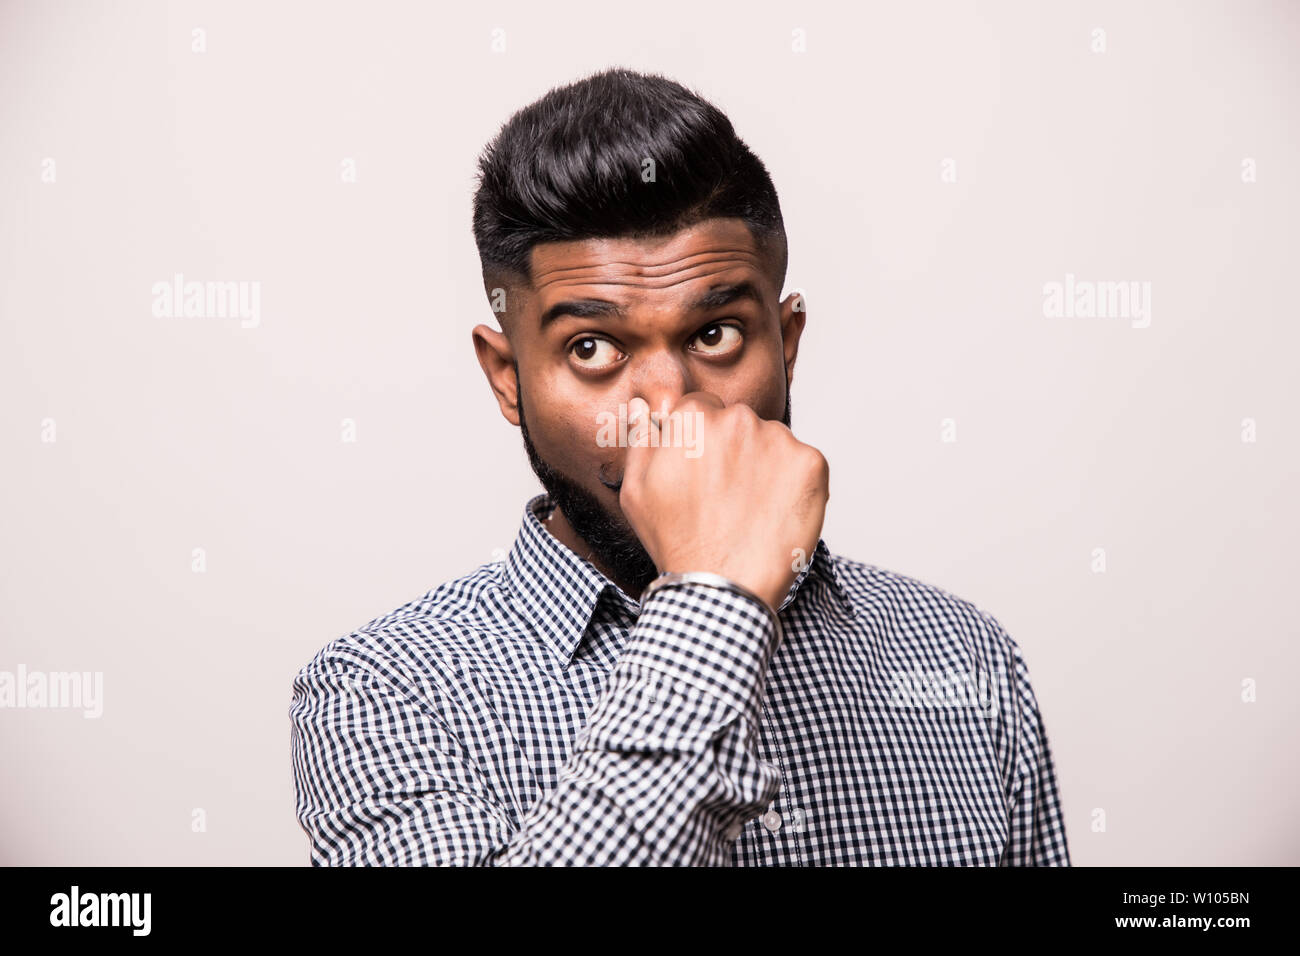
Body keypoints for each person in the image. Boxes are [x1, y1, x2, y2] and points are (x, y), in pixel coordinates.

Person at [289, 67, 1071, 866]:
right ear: (507, 378)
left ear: (786, 344)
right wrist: (713, 601)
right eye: (591, 349)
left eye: (716, 335)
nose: (670, 409)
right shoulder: (381, 696)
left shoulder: (962, 660)